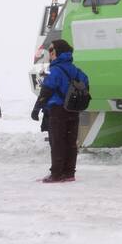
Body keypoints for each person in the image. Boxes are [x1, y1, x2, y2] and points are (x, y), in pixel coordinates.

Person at [31, 39, 87, 183]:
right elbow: (85, 83)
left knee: (57, 142)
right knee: (70, 142)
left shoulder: (55, 70)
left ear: (58, 52)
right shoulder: (76, 70)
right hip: (73, 110)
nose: (49, 53)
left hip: (58, 111)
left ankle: (56, 174)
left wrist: (36, 109)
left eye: (51, 50)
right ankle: (69, 173)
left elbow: (46, 91)